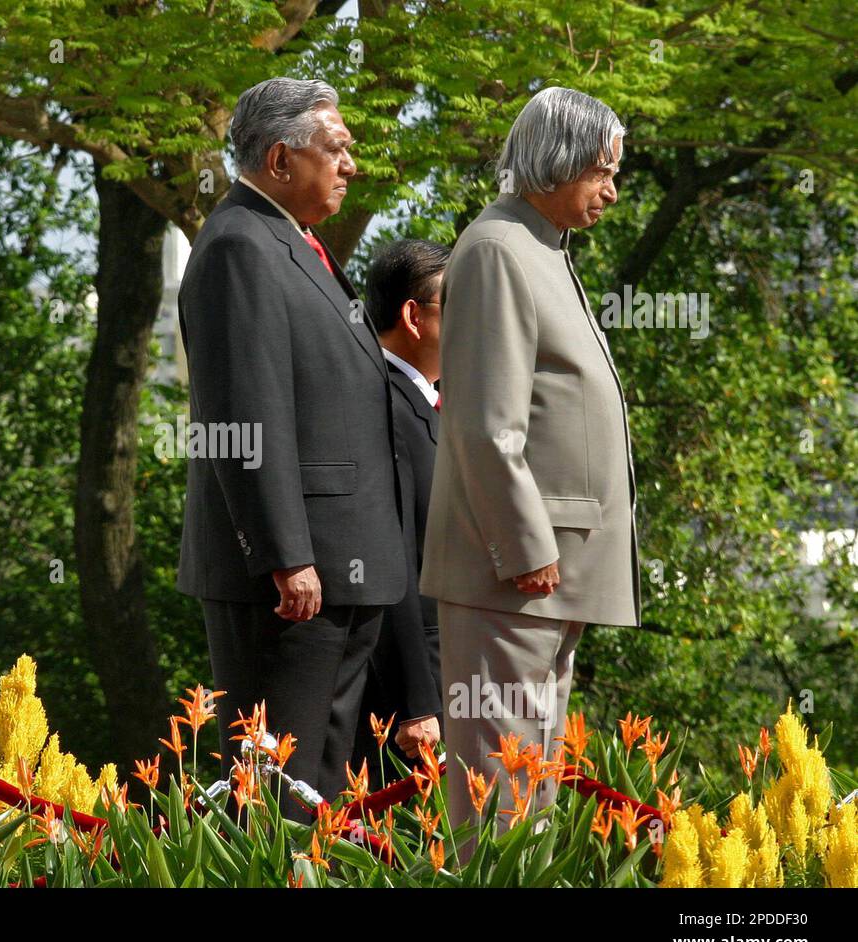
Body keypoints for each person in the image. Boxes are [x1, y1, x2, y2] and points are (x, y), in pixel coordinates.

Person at [176, 77, 406, 820]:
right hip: (290, 580)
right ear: (280, 158)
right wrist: (284, 553)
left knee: (319, 794)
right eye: (336, 148)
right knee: (275, 795)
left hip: (339, 566)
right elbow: (244, 413)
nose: (351, 165)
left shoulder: (290, 240)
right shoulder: (240, 244)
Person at [419, 87, 641, 847]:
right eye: (602, 169)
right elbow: (485, 421)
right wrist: (524, 545)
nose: (612, 188)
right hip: (515, 571)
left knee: (531, 778)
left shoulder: (537, 245)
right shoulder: (499, 247)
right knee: (499, 793)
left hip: (546, 573)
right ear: (556, 160)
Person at [352, 241, 450, 784]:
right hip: (411, 696)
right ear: (413, 316)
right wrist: (415, 701)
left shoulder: (432, 402)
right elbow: (388, 557)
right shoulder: (383, 404)